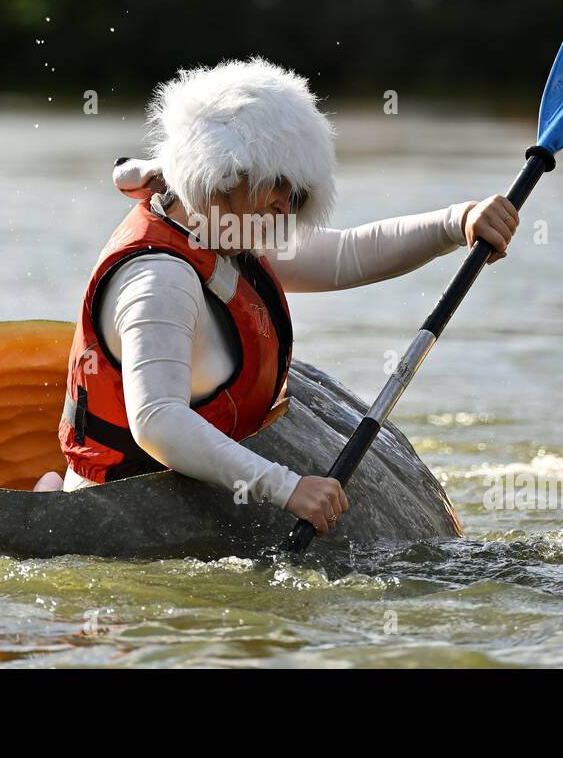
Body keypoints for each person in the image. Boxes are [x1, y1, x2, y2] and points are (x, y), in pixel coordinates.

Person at [38, 58, 519, 537]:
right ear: (221, 171)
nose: (283, 205)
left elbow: (346, 255)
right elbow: (158, 422)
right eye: (275, 184)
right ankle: (48, 499)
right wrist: (286, 487)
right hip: (121, 516)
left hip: (182, 500)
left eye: (293, 191)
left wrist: (458, 222)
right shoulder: (158, 280)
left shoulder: (222, 230)